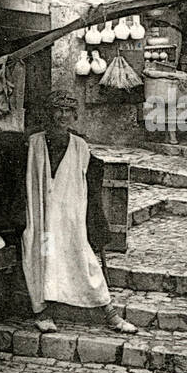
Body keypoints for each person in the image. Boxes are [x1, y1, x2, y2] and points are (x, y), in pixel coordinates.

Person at [21, 94, 137, 335]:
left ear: (74, 115)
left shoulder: (80, 147)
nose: (62, 115)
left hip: (70, 215)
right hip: (40, 214)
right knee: (40, 256)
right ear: (50, 113)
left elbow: (87, 185)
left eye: (67, 110)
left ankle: (110, 313)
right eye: (58, 110)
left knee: (83, 259)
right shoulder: (35, 143)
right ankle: (43, 312)